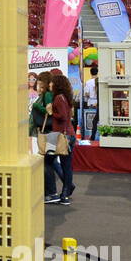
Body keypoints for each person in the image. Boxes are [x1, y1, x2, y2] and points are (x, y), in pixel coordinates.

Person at [43, 74, 76, 205]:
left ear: (56, 84)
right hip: (68, 135)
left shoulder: (57, 98)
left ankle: (52, 193)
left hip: (57, 135)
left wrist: (51, 112)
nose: (50, 85)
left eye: (51, 83)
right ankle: (65, 193)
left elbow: (61, 116)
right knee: (66, 165)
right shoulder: (66, 97)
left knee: (47, 162)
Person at [82, 64, 98, 139]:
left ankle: (91, 135)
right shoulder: (99, 81)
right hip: (98, 102)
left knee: (90, 119)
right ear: (97, 72)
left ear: (90, 73)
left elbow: (86, 94)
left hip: (91, 102)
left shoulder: (88, 82)